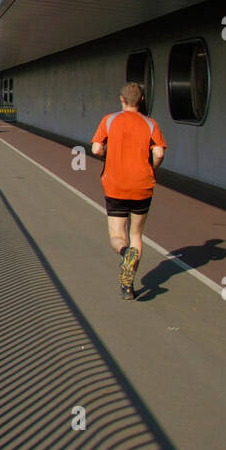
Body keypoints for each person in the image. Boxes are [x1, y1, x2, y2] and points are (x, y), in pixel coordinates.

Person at [91, 83, 168, 300]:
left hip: (115, 184)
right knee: (136, 234)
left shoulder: (109, 120)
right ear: (141, 100)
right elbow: (159, 153)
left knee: (117, 236)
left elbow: (96, 148)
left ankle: (126, 254)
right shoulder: (151, 124)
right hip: (142, 185)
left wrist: (107, 155)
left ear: (121, 100)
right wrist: (152, 166)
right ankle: (128, 284)